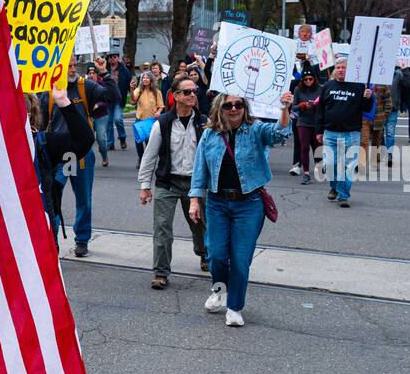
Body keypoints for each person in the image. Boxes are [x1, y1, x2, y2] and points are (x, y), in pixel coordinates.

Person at [0, 86, 93, 374]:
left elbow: (83, 141)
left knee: (33, 315)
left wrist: (64, 100)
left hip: (32, 247)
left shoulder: (43, 143)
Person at [188, 91, 293, 327]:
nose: (234, 109)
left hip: (249, 204)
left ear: (245, 108)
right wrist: (195, 200)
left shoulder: (255, 130)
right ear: (219, 108)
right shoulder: (209, 135)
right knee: (215, 255)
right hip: (217, 202)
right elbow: (199, 170)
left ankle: (234, 307)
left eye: (239, 105)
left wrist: (285, 108)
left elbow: (280, 132)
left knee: (239, 258)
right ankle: (219, 291)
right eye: (228, 105)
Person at [138, 74, 208, 290]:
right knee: (162, 228)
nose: (192, 95)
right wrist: (145, 186)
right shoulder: (163, 123)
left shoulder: (204, 122)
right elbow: (150, 156)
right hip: (167, 183)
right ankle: (161, 272)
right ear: (176, 96)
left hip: (195, 185)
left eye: (194, 91)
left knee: (200, 225)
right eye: (187, 92)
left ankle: (204, 254)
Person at [47, 59, 107, 257]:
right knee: (52, 198)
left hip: (80, 154)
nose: (72, 69)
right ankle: (50, 240)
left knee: (83, 199)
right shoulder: (46, 89)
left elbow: (111, 96)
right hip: (57, 156)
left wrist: (104, 73)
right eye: (68, 66)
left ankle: (82, 239)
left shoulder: (85, 86)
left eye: (74, 65)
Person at [315, 57, 371, 208]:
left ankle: (343, 195)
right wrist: (319, 131)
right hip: (330, 133)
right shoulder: (327, 86)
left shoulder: (359, 86)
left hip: (351, 133)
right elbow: (320, 111)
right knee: (330, 164)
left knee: (349, 166)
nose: (341, 70)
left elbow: (366, 109)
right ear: (335, 70)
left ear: (350, 70)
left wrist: (368, 97)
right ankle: (334, 186)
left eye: (344, 67)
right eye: (338, 67)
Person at [290, 69, 322, 183]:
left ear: (314, 79)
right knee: (304, 147)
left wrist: (316, 105)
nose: (308, 81)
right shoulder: (298, 89)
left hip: (317, 122)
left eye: (310, 79)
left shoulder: (320, 89)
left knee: (317, 147)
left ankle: (319, 166)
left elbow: (325, 105)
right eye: (305, 79)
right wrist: (302, 105)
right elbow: (293, 107)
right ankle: (306, 173)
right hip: (303, 122)